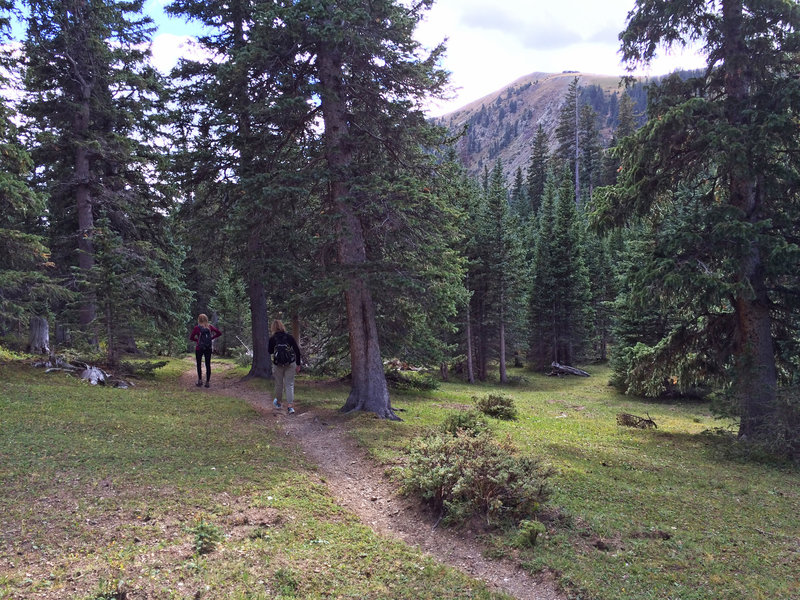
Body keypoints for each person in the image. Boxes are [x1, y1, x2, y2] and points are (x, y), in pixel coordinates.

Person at [268, 319, 302, 414]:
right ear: (282, 326)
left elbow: (269, 351)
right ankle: (290, 407)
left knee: (279, 384)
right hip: (290, 363)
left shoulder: (272, 339)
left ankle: (278, 403)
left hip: (277, 364)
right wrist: (298, 364)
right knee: (289, 384)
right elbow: (297, 351)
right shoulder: (289, 337)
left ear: (273, 328)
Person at [189, 314, 222, 388]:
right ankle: (207, 382)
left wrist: (198, 340)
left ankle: (200, 380)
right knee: (208, 364)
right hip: (208, 348)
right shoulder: (210, 327)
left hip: (199, 348)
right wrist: (211, 338)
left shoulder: (197, 328)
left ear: (199, 320)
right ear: (206, 319)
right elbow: (219, 333)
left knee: (199, 364)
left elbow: (191, 337)